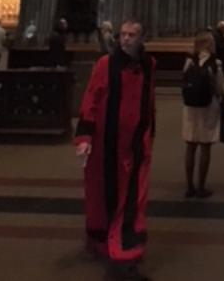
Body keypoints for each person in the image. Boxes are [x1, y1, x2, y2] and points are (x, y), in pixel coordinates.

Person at [75, 19, 155, 281]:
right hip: (106, 144)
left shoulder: (148, 65)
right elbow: (91, 98)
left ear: (142, 38)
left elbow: (148, 101)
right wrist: (84, 136)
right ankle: (104, 244)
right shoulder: (105, 65)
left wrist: (149, 133)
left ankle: (126, 251)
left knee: (133, 197)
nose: (126, 39)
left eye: (132, 35)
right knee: (103, 194)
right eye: (123, 34)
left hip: (136, 144)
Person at [182, 29, 224, 199]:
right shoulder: (215, 63)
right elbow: (219, 88)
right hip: (208, 107)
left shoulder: (188, 61)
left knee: (190, 146)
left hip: (190, 107)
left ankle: (189, 186)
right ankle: (201, 187)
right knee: (205, 146)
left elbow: (183, 82)